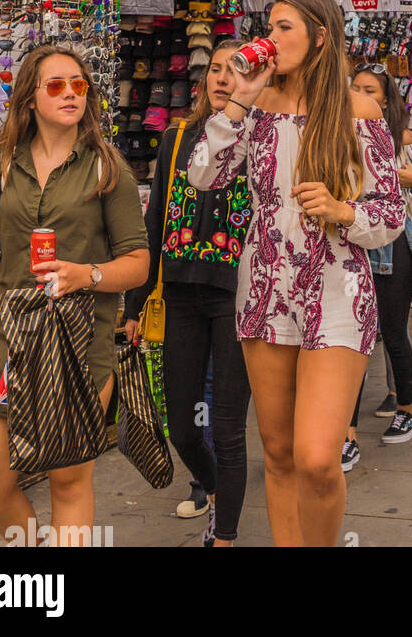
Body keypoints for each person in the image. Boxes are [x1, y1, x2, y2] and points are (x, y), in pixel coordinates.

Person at [186, 0, 405, 548]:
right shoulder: (255, 109)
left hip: (337, 288)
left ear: (320, 36)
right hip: (264, 288)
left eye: (285, 28)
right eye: (269, 26)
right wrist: (239, 99)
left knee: (316, 460)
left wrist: (342, 210)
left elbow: (390, 211)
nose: (271, 38)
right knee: (278, 454)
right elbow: (203, 177)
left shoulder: (359, 110)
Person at [0, 47, 149, 545]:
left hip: (79, 343)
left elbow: (138, 263)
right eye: (56, 86)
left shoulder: (108, 168)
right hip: (3, 341)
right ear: (30, 100)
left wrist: (88, 275)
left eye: (79, 85)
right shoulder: (0, 165)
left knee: (68, 478)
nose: (70, 95)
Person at [123, 40, 252, 547]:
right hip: (179, 291)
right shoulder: (177, 138)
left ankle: (225, 536)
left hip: (235, 296)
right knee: (181, 427)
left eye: (235, 70)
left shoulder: (257, 139)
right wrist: (134, 305)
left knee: (228, 429)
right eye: (217, 69)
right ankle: (220, 494)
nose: (223, 78)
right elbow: (153, 222)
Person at [343, 63, 412, 463]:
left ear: (387, 99)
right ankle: (347, 433)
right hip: (347, 248)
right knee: (349, 341)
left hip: (395, 248)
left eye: (370, 89)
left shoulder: (401, 138)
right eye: (355, 87)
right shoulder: (335, 133)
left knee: (393, 333)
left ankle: (406, 409)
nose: (360, 94)